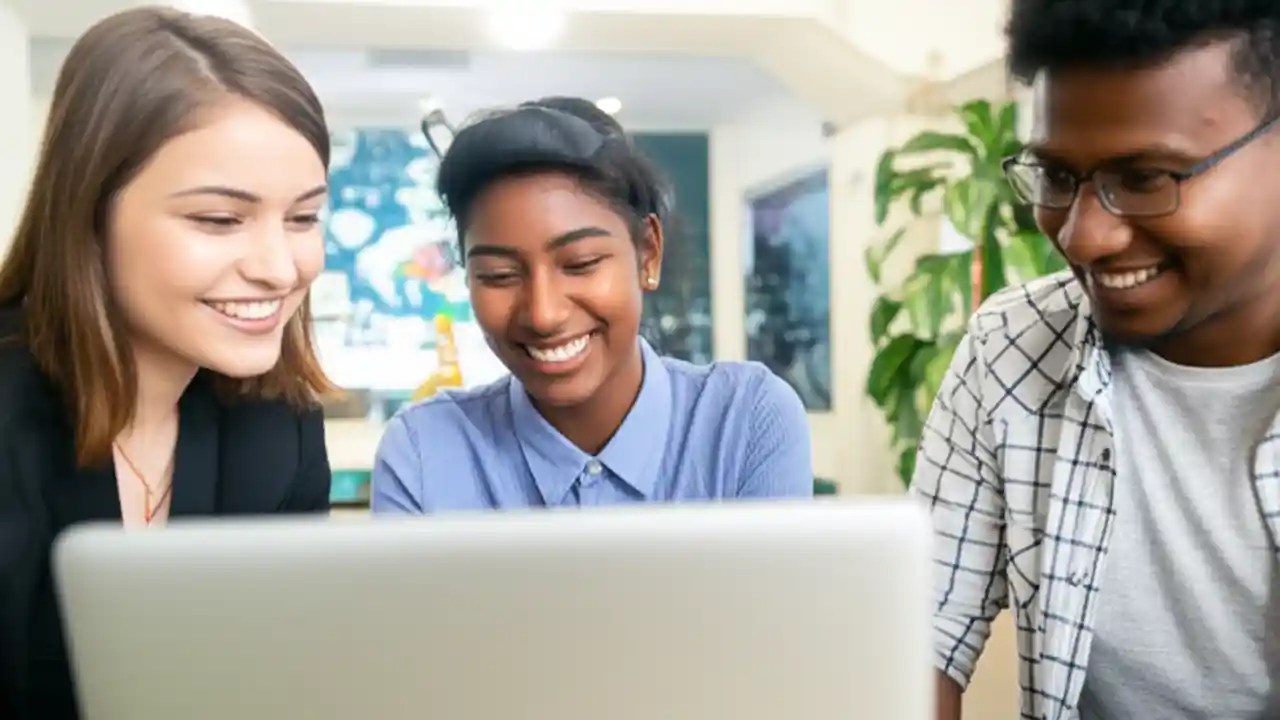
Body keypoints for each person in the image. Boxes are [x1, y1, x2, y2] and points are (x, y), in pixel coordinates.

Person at [914, 1, 1280, 718]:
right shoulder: (1011, 348)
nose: (1084, 237)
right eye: (1055, 176)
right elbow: (915, 643)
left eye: (1145, 178)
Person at [0, 7, 336, 718]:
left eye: (303, 218)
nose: (280, 268)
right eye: (218, 220)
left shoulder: (279, 431)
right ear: (90, 214)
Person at [372, 97, 813, 512]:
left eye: (581, 264)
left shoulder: (746, 420)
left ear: (648, 254)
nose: (543, 315)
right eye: (500, 276)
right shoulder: (423, 452)